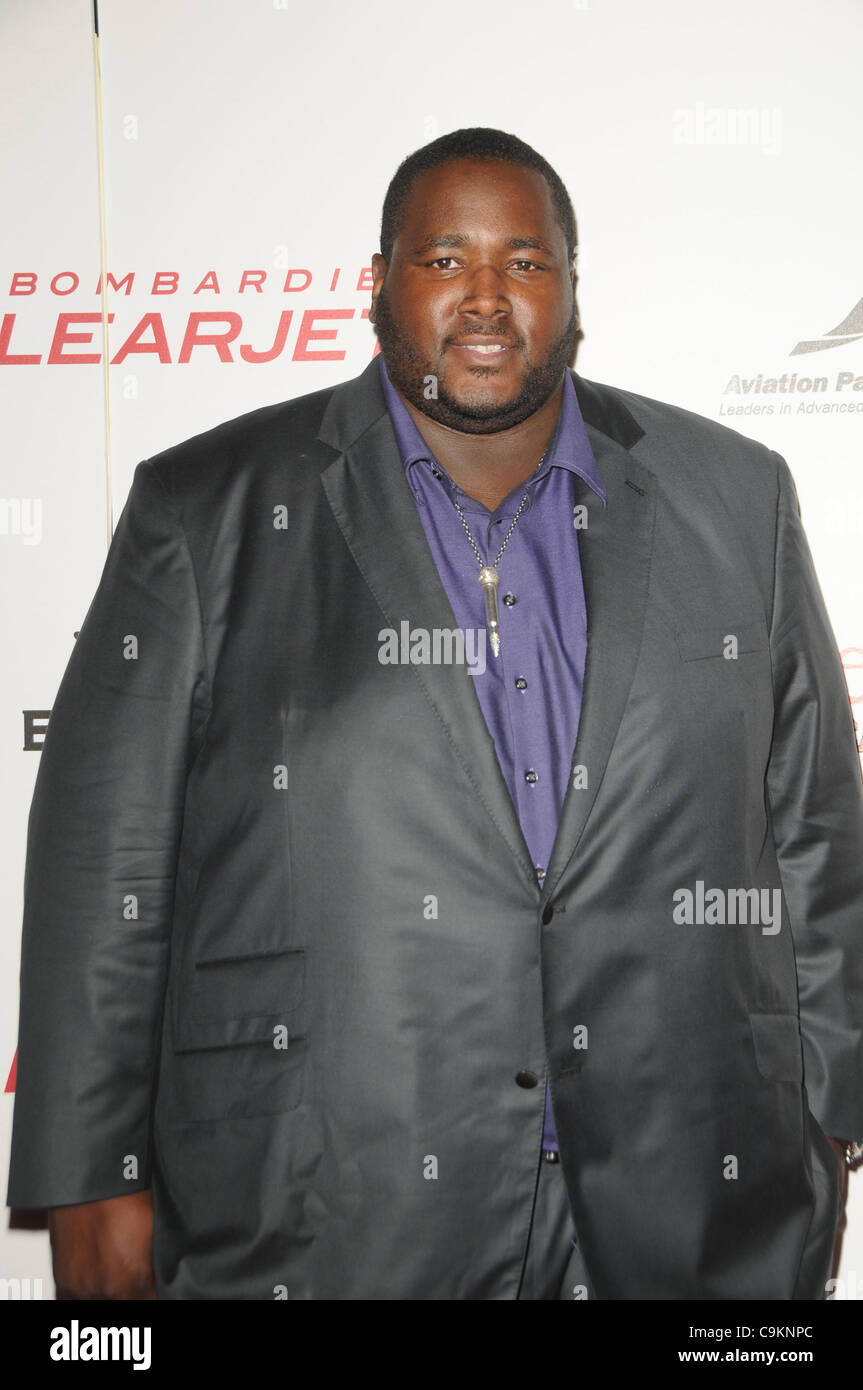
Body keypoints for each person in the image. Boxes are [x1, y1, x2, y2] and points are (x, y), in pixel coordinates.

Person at [7, 127, 863, 1301]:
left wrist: (829, 1110)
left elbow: (813, 829)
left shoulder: (734, 494)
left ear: (570, 286)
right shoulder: (205, 510)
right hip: (337, 1205)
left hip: (694, 1206)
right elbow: (104, 866)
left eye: (525, 261)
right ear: (378, 281)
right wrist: (92, 1180)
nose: (486, 297)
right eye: (444, 259)